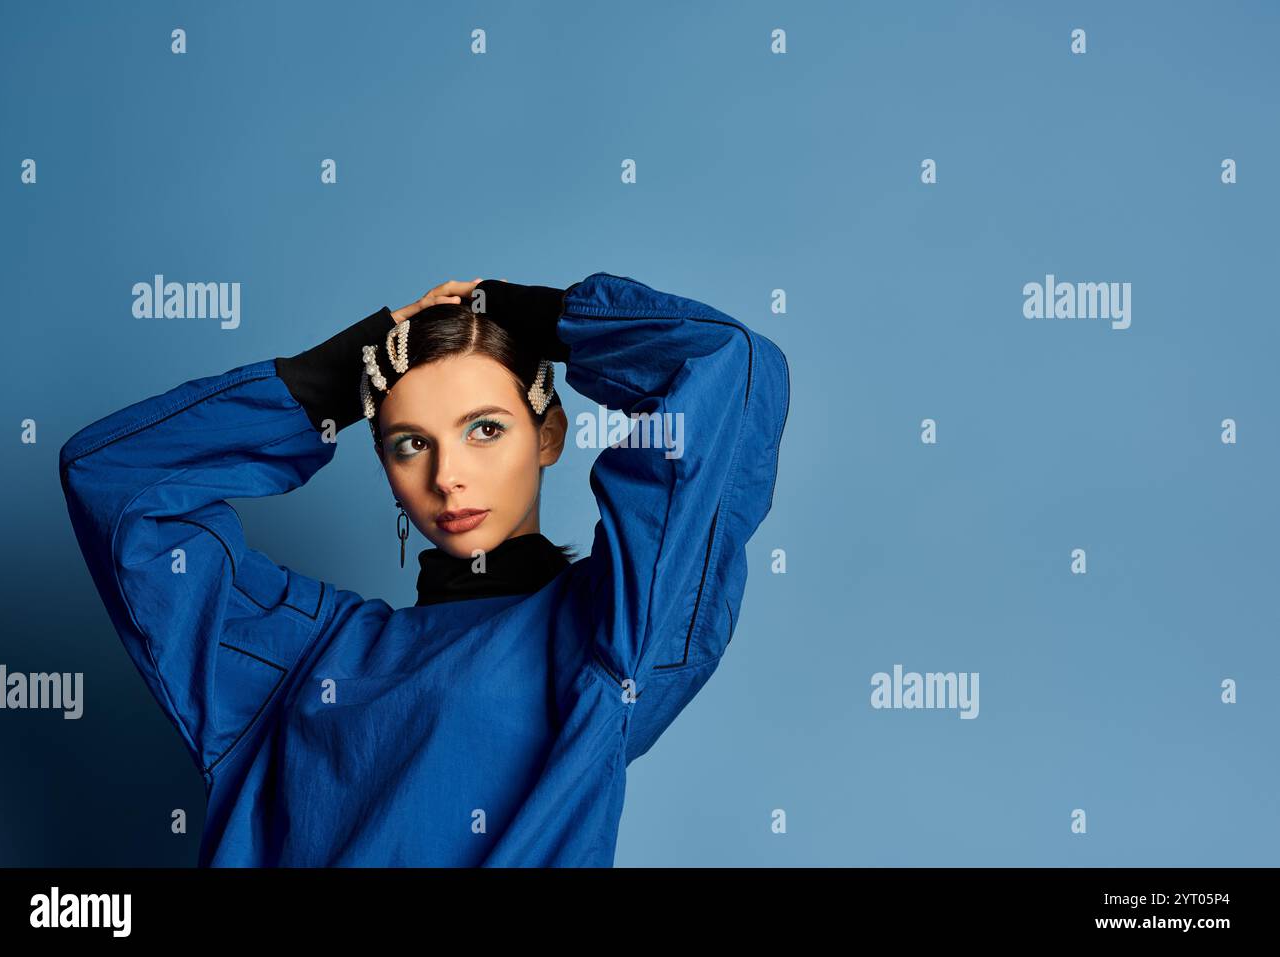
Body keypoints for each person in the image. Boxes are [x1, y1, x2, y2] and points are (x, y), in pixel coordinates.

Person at [58, 271, 791, 866]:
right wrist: (338, 379)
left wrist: (543, 320)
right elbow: (116, 480)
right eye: (410, 443)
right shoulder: (305, 654)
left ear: (549, 434)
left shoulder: (609, 632)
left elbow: (729, 366)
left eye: (485, 430)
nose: (448, 476)